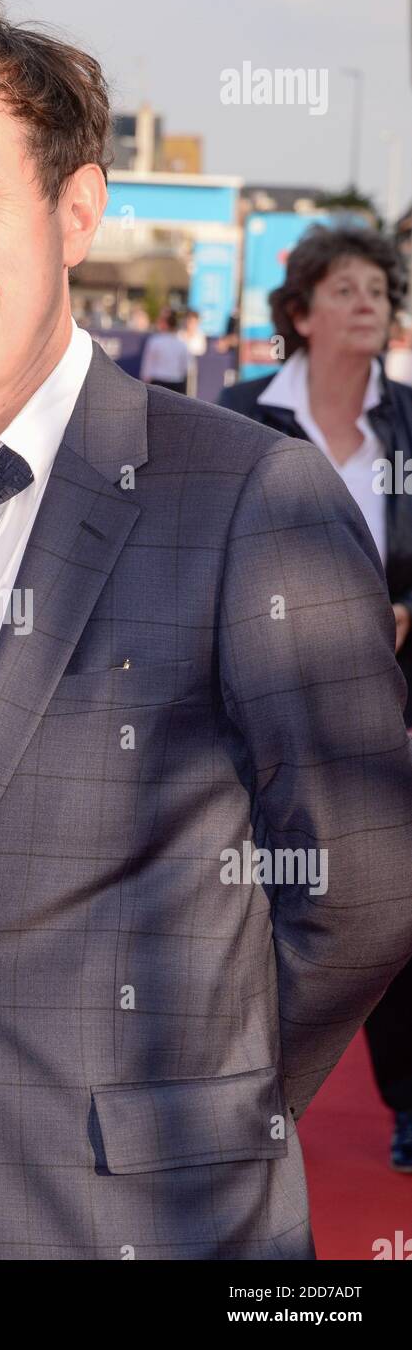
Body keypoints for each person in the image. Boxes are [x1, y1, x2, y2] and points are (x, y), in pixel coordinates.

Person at [0, 0, 412, 1262]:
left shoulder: (246, 497)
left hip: (143, 1214)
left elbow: (363, 881)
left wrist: (187, 1102)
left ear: (77, 213)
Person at [217, 222, 412, 1171]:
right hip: (260, 707)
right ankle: (245, 1092)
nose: (367, 301)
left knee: (391, 899)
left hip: (395, 710)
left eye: (378, 287)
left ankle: (408, 1097)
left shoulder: (410, 423)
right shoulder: (242, 413)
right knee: (252, 902)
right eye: (344, 288)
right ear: (298, 311)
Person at [138, 306, 190, 392]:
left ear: (165, 324)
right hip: (176, 383)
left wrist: (145, 383)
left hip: (159, 383)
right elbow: (185, 367)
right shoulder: (182, 344)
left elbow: (147, 366)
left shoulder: (154, 341)